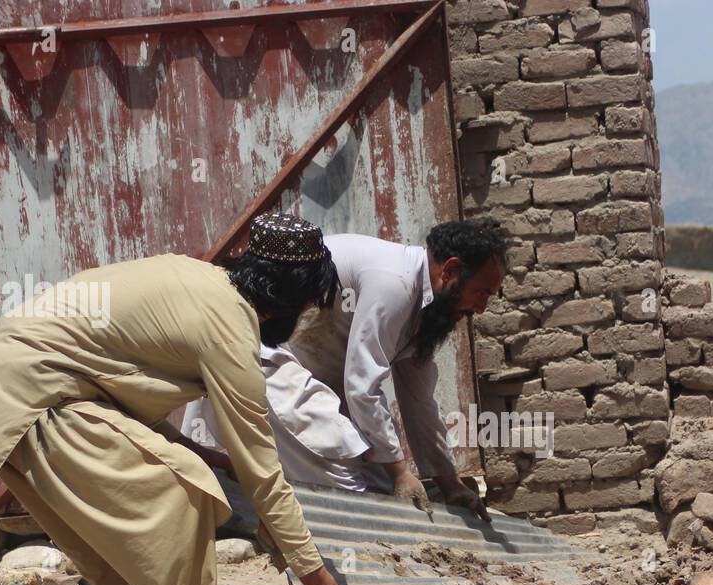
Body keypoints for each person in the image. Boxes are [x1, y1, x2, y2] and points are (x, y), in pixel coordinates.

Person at [0, 213, 363, 585]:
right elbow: (263, 472)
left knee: (120, 542)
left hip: (12, 385)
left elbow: (116, 379)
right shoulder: (228, 327)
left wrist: (216, 462)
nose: (312, 311)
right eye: (313, 302)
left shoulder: (203, 283)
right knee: (182, 495)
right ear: (294, 296)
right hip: (27, 393)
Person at [179, 218, 506, 521]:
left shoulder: (425, 305)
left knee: (375, 484)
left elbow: (419, 401)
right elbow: (361, 385)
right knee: (350, 481)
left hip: (307, 381)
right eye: (481, 292)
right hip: (260, 364)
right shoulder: (397, 284)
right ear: (450, 271)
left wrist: (448, 483)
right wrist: (399, 472)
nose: (481, 307)